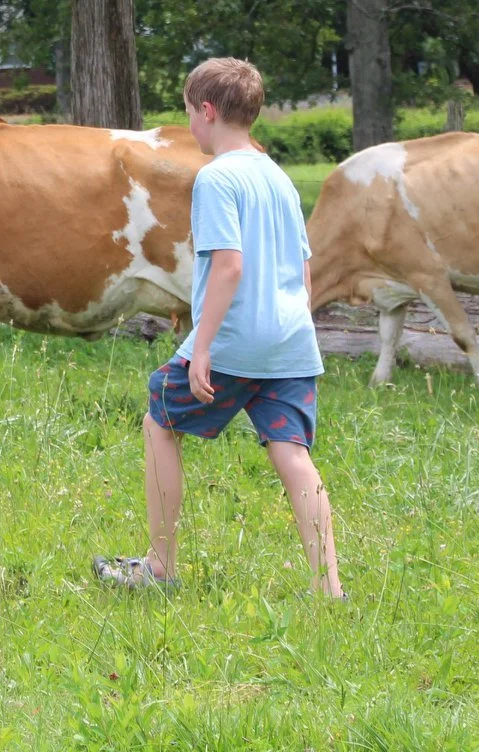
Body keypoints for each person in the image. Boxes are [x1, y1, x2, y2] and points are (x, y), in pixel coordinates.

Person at [95, 57, 345, 598]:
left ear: (206, 111)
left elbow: (228, 266)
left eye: (189, 112)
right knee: (291, 451)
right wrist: (289, 326)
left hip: (234, 340)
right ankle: (329, 587)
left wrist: (201, 347)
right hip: (290, 339)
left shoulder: (217, 178)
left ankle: (160, 566)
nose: (189, 125)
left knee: (159, 420)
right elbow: (304, 267)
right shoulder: (275, 175)